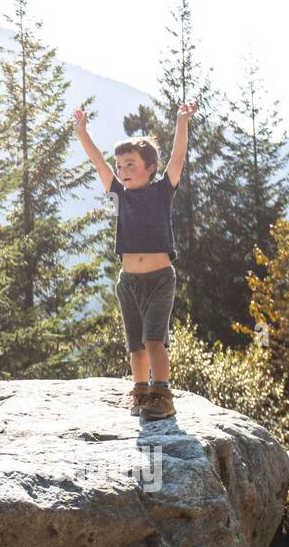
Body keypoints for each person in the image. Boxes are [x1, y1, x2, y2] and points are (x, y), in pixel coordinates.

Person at [73, 103, 197, 419]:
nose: (122, 170)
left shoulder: (162, 192)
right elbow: (98, 163)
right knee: (136, 347)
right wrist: (81, 133)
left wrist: (181, 121)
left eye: (130, 164)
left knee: (154, 340)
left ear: (150, 168)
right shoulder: (119, 195)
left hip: (159, 280)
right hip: (128, 283)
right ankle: (141, 391)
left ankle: (162, 395)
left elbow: (177, 157)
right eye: (121, 165)